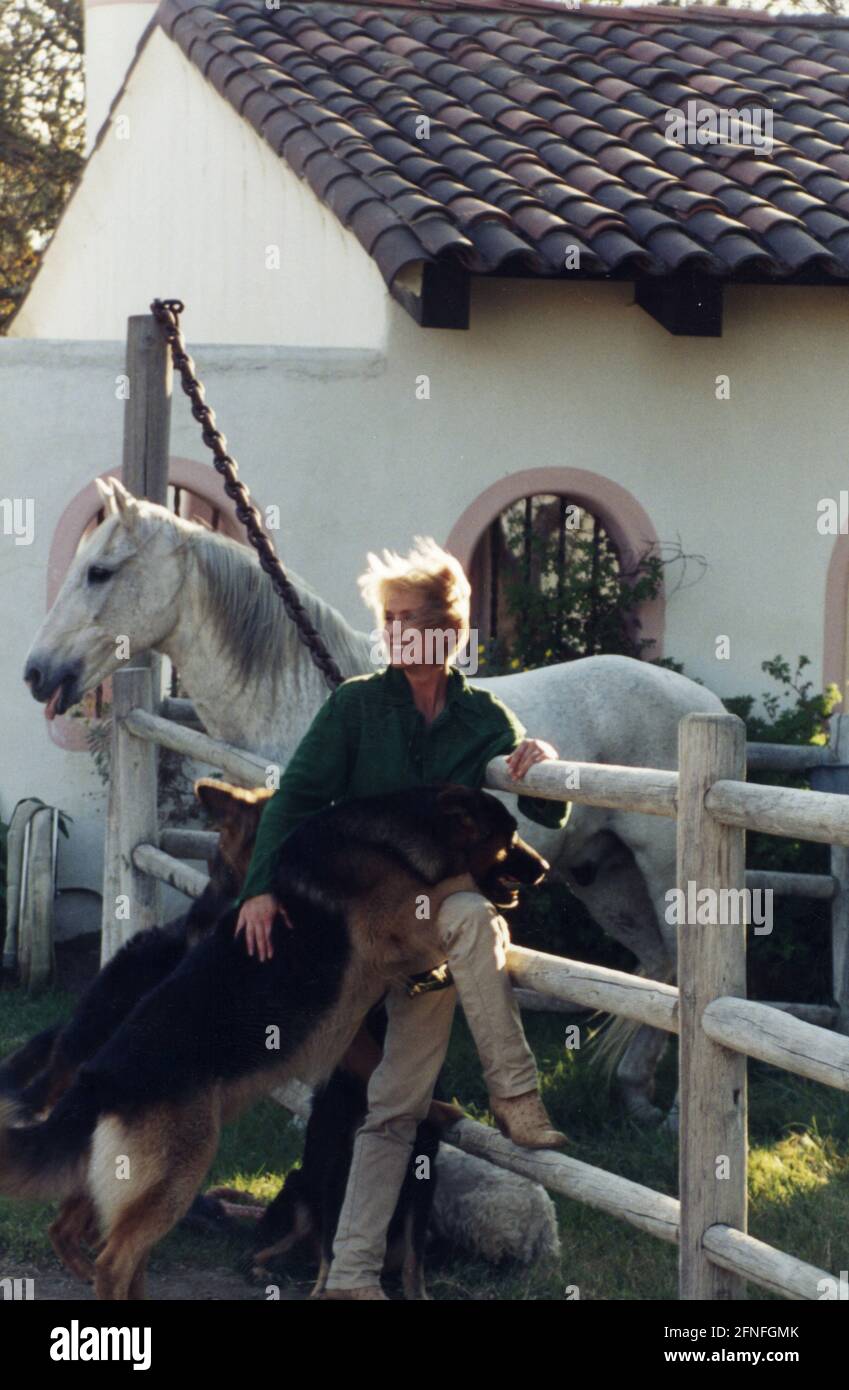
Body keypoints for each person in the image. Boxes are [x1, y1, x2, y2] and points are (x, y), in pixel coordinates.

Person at [234, 536, 571, 1299]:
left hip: (430, 931)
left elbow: (545, 806)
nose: (391, 634)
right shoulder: (356, 704)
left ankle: (354, 1274)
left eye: (406, 618)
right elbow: (294, 797)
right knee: (333, 1072)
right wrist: (260, 887)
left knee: (396, 1103)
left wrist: (538, 757)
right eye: (385, 620)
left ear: (445, 629)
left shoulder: (481, 716)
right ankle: (343, 1265)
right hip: (357, 927)